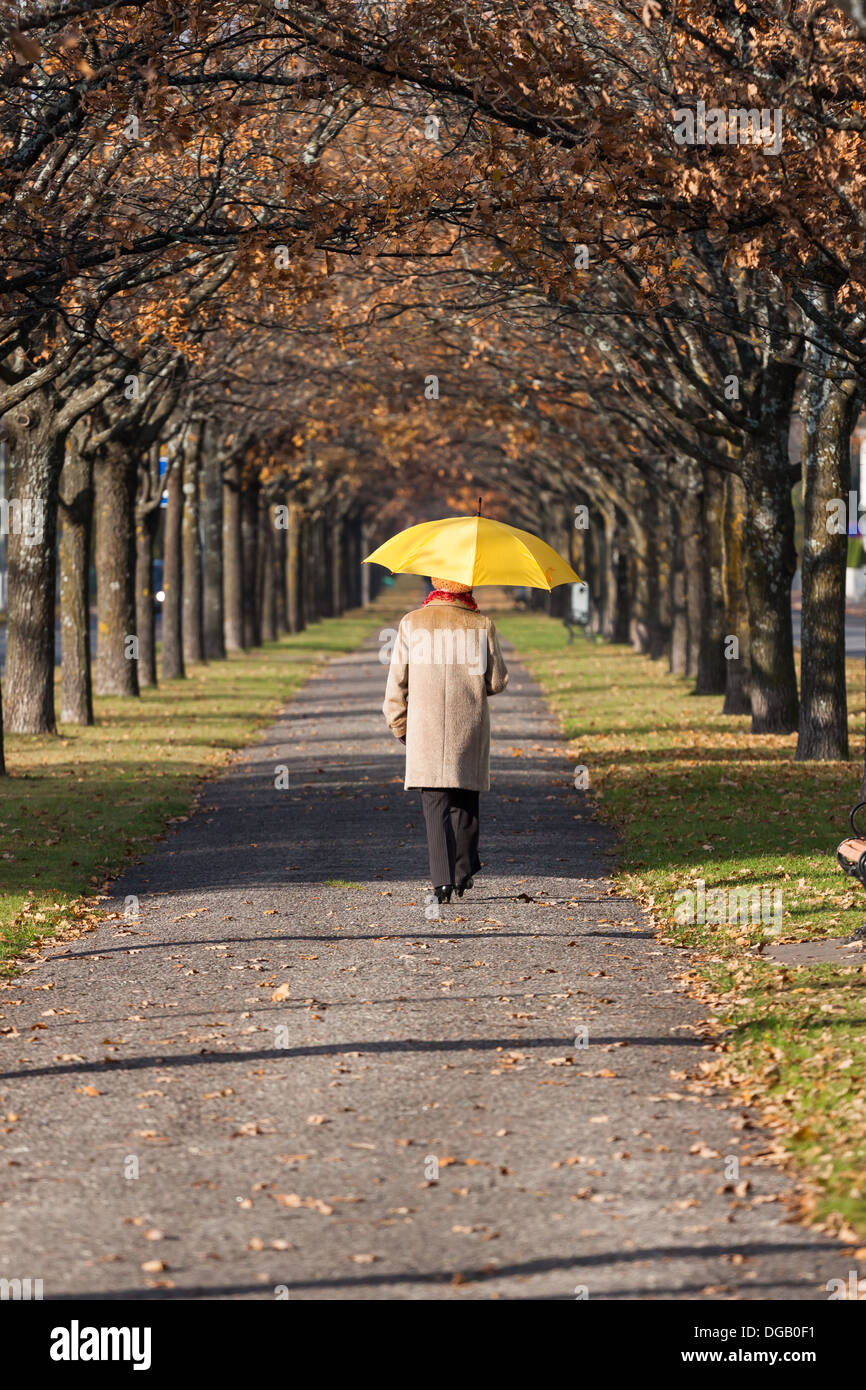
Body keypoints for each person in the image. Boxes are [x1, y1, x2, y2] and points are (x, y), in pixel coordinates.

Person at [382, 577, 509, 903]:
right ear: (467, 589)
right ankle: (463, 870)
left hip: (424, 727)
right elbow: (496, 681)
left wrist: (399, 724)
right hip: (467, 724)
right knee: (465, 799)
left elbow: (398, 682)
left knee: (434, 804)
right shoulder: (480, 624)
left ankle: (441, 881)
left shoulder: (413, 623)